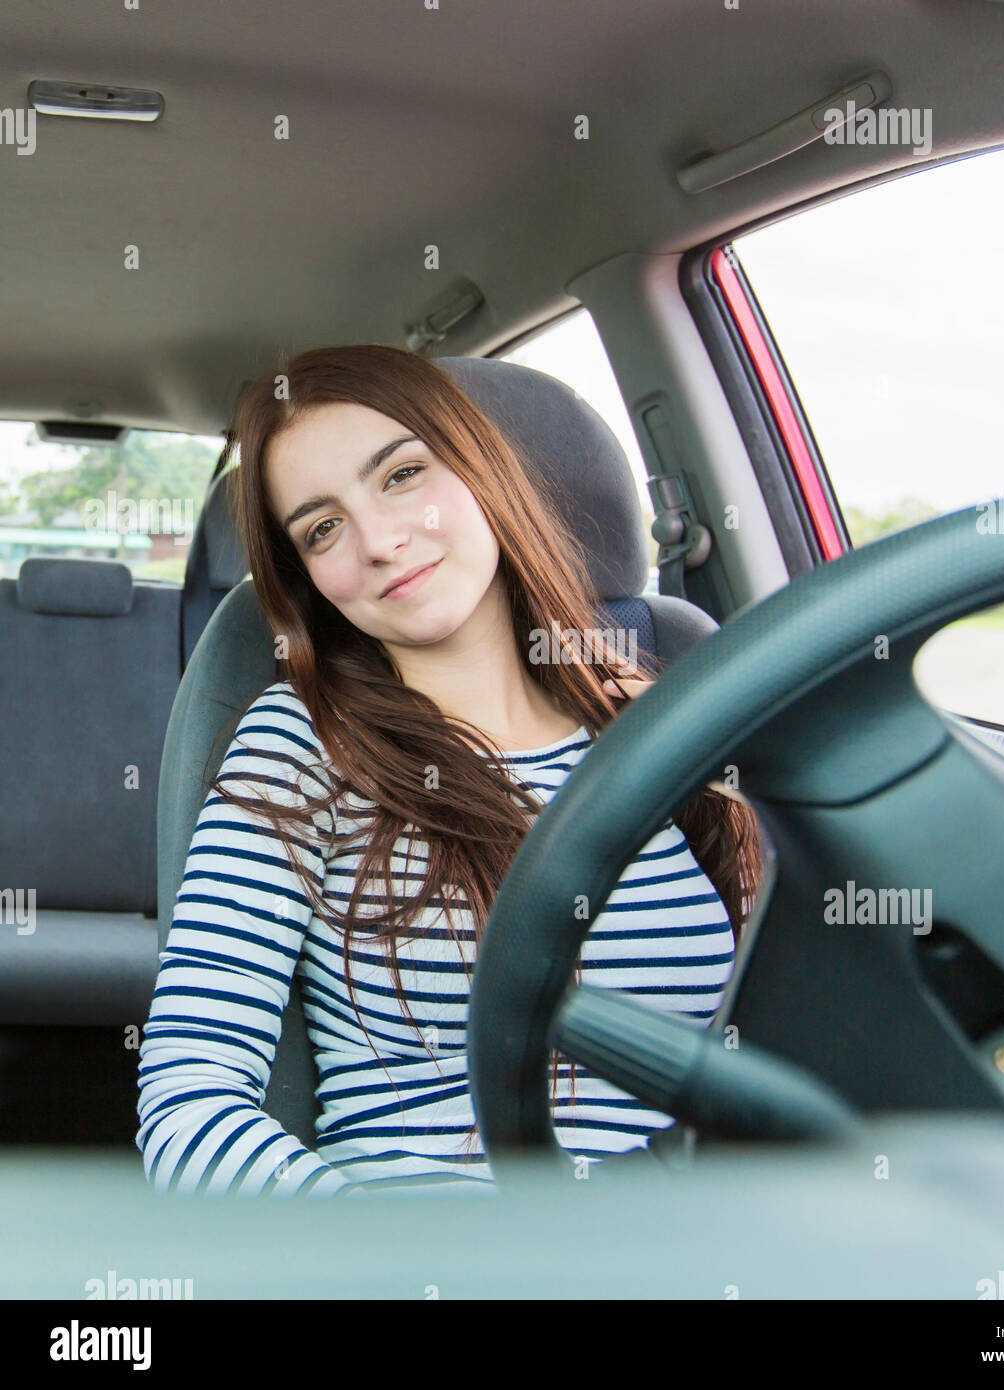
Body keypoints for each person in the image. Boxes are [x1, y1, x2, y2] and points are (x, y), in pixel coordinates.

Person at [135, 344, 763, 1199]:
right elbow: (188, 1101)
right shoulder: (302, 744)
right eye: (322, 528)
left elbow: (788, 1029)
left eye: (401, 476)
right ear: (309, 579)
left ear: (482, 470)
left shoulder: (657, 718)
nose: (381, 542)